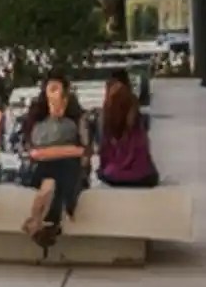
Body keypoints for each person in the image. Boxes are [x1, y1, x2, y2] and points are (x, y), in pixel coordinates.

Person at [21, 71, 88, 248]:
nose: (56, 95)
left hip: (67, 167)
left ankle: (42, 223)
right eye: (52, 89)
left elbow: (83, 150)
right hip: (43, 166)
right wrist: (67, 150)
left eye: (60, 90)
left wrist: (58, 152)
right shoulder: (37, 119)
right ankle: (38, 221)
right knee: (47, 186)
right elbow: (34, 151)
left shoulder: (75, 120)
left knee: (54, 184)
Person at [97, 71, 158, 188]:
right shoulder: (132, 103)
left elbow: (104, 152)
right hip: (140, 176)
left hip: (112, 174)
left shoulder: (108, 109)